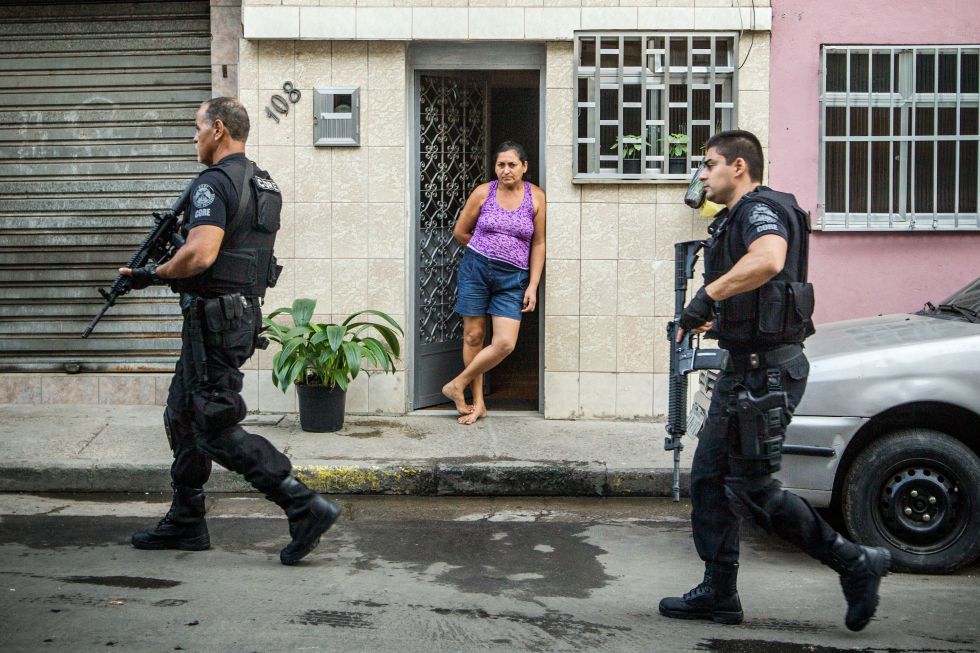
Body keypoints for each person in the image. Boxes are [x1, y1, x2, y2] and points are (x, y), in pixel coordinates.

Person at [659, 130, 890, 630]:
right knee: (709, 481)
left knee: (753, 489)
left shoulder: (759, 211)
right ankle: (719, 592)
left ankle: (855, 562)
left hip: (766, 375)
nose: (702, 175)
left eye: (709, 164)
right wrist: (716, 320)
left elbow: (769, 260)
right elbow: (760, 288)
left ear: (738, 167)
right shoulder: (732, 219)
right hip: (744, 369)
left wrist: (708, 297)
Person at [121, 97, 340, 565]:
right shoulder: (264, 182)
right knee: (182, 415)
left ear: (218, 129)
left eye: (197, 128)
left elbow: (200, 255)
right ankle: (186, 519)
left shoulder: (213, 184)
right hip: (236, 315)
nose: (193, 137)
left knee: (213, 424)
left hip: (214, 321)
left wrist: (154, 273)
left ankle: (301, 503)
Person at [442, 142, 546, 425]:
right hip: (476, 269)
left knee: (504, 343)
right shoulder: (482, 192)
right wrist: (487, 249)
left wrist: (532, 285)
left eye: (512, 164)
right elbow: (461, 231)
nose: (506, 170)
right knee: (474, 336)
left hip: (513, 277)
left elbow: (538, 243)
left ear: (524, 167)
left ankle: (456, 384)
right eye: (501, 165)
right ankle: (478, 404)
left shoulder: (536, 197)